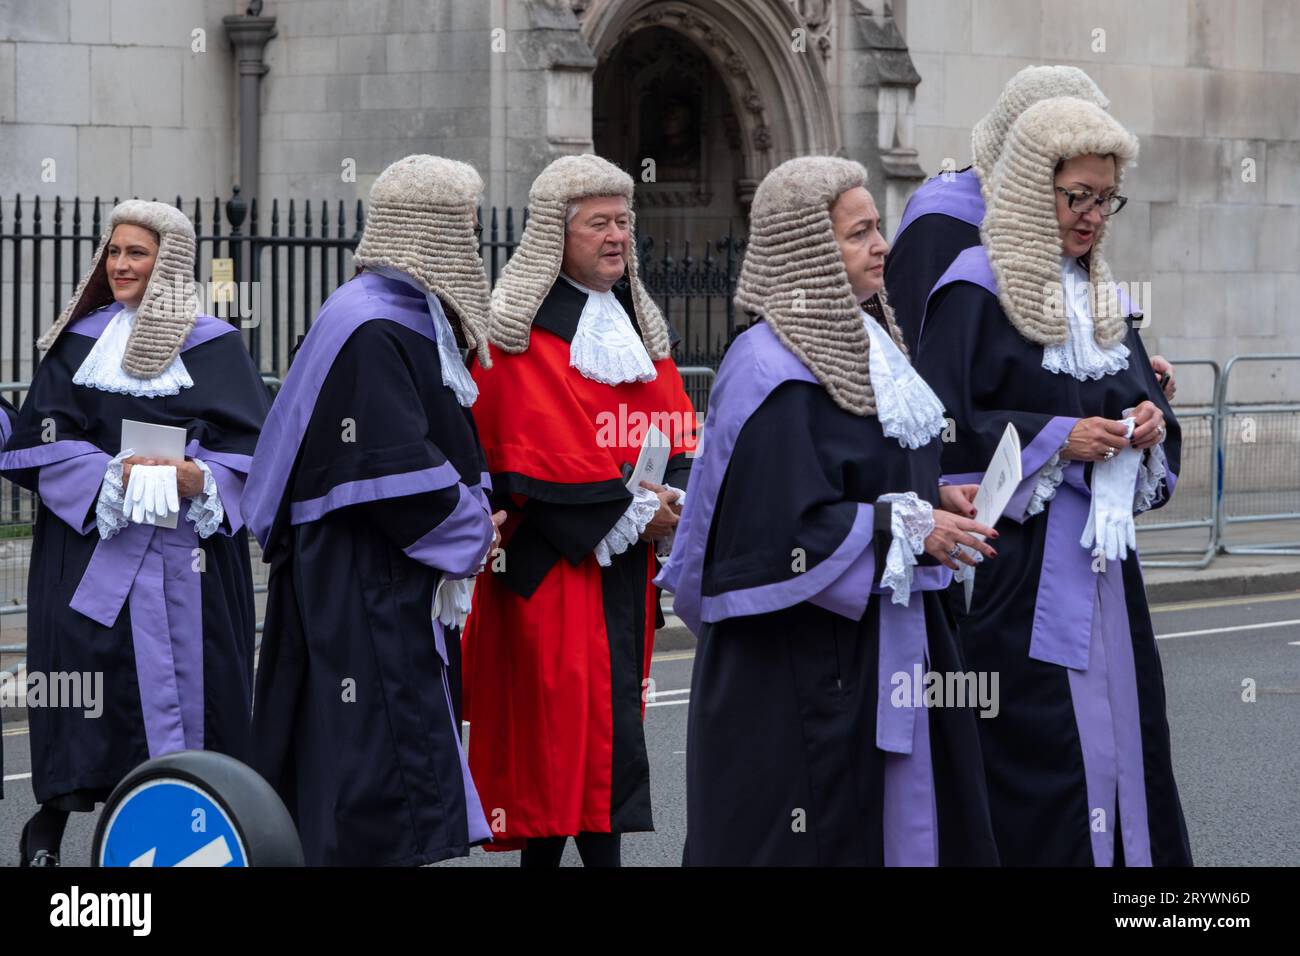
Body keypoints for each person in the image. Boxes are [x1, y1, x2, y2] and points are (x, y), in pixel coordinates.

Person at [655, 156, 1001, 866]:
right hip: (803, 665)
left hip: (886, 641)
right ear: (809, 249)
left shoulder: (871, 340)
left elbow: (866, 465)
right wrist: (907, 525)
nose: (882, 246)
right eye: (859, 233)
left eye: (878, 228)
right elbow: (776, 530)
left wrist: (932, 495)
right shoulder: (770, 368)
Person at [914, 97, 1192, 866]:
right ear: (1038, 188)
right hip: (1020, 574)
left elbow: (1145, 404)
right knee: (1036, 752)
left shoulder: (1106, 298)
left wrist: (1147, 423)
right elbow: (934, 435)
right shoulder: (974, 285)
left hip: (1110, 573)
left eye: (1107, 199)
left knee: (1131, 741)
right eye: (1079, 195)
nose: (1094, 216)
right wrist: (1053, 441)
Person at [243, 155, 500, 866]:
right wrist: (475, 526)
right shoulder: (371, 323)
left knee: (359, 756)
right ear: (434, 230)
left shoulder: (385, 311)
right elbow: (393, 467)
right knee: (372, 765)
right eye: (466, 227)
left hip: (376, 575)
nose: (475, 242)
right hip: (365, 580)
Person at [0, 200, 267, 866]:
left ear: (168, 262)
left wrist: (196, 477)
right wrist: (112, 478)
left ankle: (196, 827)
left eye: (136, 253)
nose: (119, 265)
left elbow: (258, 447)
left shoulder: (217, 344)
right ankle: (52, 830)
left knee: (203, 698)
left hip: (193, 564)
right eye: (114, 252)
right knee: (92, 694)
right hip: (94, 553)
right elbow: (39, 440)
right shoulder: (80, 342)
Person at [461, 154, 697, 867]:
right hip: (551, 569)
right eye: (599, 223)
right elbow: (530, 450)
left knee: (610, 739)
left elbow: (676, 427)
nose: (618, 236)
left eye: (624, 221)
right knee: (556, 745)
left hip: (618, 574)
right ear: (554, 238)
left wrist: (672, 496)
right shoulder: (520, 334)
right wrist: (632, 512)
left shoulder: (636, 326)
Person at [884, 64, 1177, 398]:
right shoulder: (940, 217)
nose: (1094, 216)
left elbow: (1069, 344)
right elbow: (919, 354)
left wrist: (1130, 378)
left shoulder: (1077, 210)